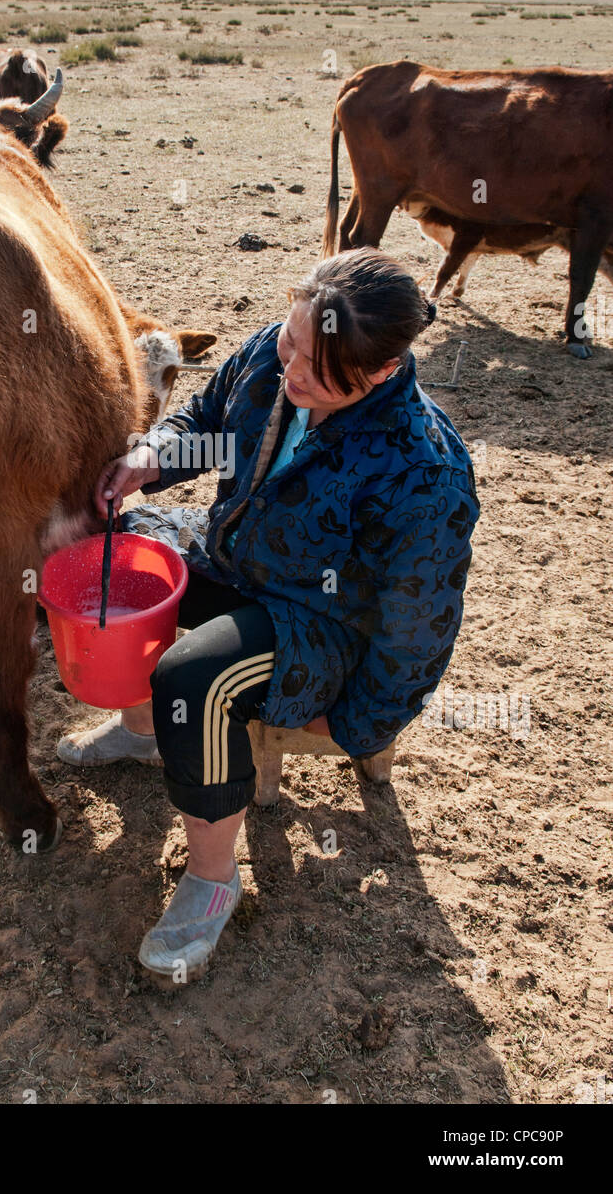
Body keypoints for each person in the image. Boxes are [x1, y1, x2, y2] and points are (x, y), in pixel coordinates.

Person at [57, 249, 480, 981]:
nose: (290, 372)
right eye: (289, 343)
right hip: (236, 555)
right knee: (107, 549)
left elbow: (420, 625)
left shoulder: (423, 469)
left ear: (378, 373)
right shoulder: (273, 354)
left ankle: (213, 880)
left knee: (196, 681)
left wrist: (358, 724)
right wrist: (150, 456)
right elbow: (210, 418)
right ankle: (140, 730)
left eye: (316, 371)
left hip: (318, 622)